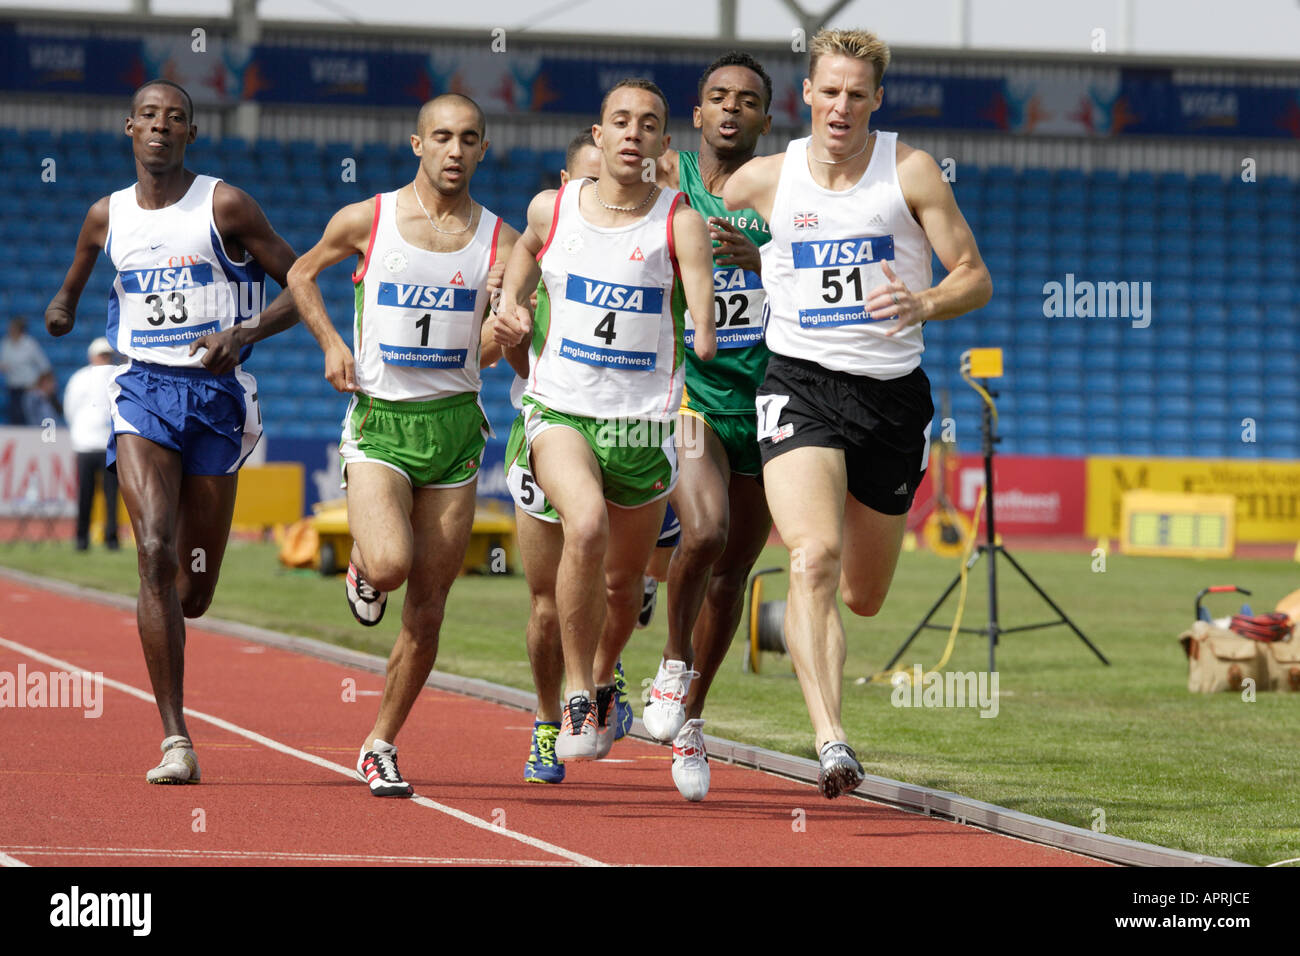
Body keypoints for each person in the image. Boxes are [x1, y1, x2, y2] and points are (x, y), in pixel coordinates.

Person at [723, 29, 992, 798]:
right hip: (798, 382)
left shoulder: (908, 172)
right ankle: (831, 739)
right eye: (828, 90)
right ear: (805, 95)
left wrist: (926, 300)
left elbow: (974, 276)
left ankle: (786, 627)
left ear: (877, 100)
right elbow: (683, 228)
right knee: (811, 555)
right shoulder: (764, 180)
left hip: (890, 397)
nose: (841, 106)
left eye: (857, 93)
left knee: (862, 594)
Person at [44, 79, 301, 784]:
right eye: (150, 116)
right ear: (130, 128)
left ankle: (184, 616)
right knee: (154, 551)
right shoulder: (106, 215)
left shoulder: (224, 204)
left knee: (192, 591)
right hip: (143, 391)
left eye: (176, 118)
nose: (161, 126)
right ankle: (176, 738)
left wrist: (244, 330)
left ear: (191, 134)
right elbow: (74, 282)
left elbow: (303, 281)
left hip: (216, 397)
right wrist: (62, 307)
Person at [287, 93, 519, 797]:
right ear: (417, 144)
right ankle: (364, 565)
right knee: (390, 567)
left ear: (483, 149)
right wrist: (331, 344)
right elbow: (300, 274)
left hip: (454, 431)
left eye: (469, 138)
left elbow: (509, 335)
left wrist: (508, 335)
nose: (455, 150)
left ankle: (380, 743)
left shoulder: (502, 242)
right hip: (381, 423)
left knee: (428, 607)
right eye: (442, 137)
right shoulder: (371, 218)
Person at [493, 79, 716, 762]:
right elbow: (526, 247)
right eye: (619, 121)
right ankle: (575, 700)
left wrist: (703, 329)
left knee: (624, 586)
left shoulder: (678, 221)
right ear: (598, 135)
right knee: (582, 524)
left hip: (642, 427)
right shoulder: (552, 207)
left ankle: (603, 674)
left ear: (663, 145)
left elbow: (703, 312)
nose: (632, 133)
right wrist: (512, 303)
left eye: (648, 124)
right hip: (560, 408)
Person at [637, 51, 777, 801]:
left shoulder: (783, 192)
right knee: (704, 532)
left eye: (747, 100)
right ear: (696, 114)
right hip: (692, 393)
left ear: (764, 117)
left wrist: (767, 261)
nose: (730, 109)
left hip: (773, 400)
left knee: (733, 577)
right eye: (718, 97)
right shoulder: (666, 179)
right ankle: (667, 662)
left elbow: (820, 281)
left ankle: (691, 718)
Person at [64, 337, 121, 550]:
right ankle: (81, 538)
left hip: (109, 445)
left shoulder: (116, 376)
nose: (105, 358)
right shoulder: (80, 378)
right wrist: (79, 433)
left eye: (107, 355)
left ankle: (111, 537)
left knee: (111, 496)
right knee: (85, 494)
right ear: (92, 356)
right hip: (86, 444)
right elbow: (70, 408)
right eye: (102, 354)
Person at [1, 317, 52, 424]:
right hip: (13, 387)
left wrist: (39, 384)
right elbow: (4, 364)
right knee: (16, 416)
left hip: (29, 388)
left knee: (29, 416)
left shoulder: (30, 344)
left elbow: (43, 365)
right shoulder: (5, 344)